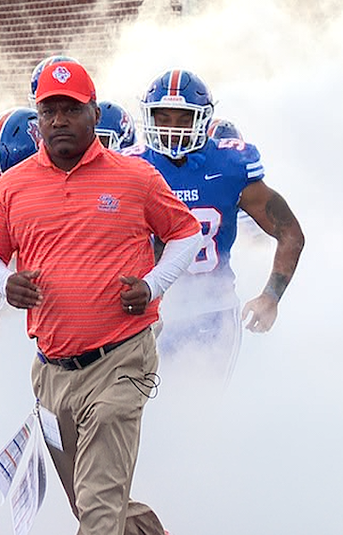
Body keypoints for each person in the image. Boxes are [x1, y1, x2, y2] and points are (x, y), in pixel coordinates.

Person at [0, 61, 203, 535]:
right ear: (36, 117)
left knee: (98, 502)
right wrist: (5, 284)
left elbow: (184, 235)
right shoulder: (15, 185)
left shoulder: (133, 175)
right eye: (49, 109)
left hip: (122, 358)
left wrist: (153, 285)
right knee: (90, 502)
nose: (60, 119)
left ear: (94, 113)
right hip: (51, 369)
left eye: (71, 108)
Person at [137, 69, 305, 383]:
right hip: (146, 312)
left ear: (201, 120)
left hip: (211, 311)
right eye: (164, 118)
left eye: (183, 118)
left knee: (204, 411)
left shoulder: (228, 167)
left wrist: (271, 296)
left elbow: (290, 233)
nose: (172, 129)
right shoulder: (131, 166)